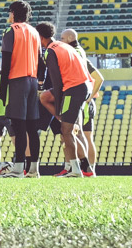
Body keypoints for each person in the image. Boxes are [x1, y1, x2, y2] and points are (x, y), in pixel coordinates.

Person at [36, 22, 93, 178]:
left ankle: (76, 170)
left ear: (40, 37)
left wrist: (60, 105)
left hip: (73, 89)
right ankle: (85, 168)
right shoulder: (64, 46)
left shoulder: (49, 51)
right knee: (45, 97)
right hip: (83, 86)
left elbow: (57, 81)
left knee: (66, 132)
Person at [0, 0, 43, 178]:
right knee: (32, 127)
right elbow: (41, 62)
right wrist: (39, 83)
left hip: (17, 81)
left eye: (9, 13)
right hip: (32, 81)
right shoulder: (34, 32)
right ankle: (34, 169)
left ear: (13, 13)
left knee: (19, 125)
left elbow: (6, 61)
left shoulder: (10, 30)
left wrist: (3, 89)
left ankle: (17, 168)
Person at [61, 30, 104, 177]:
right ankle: (86, 169)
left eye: (62, 38)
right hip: (84, 99)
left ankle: (88, 169)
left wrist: (88, 98)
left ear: (71, 38)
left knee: (81, 135)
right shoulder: (80, 52)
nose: (60, 41)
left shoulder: (77, 54)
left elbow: (99, 78)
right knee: (79, 135)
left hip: (82, 101)